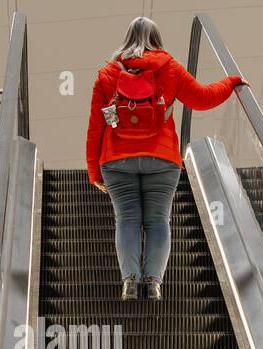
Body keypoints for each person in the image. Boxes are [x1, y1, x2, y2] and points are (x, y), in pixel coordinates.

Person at [86, 17, 244, 300]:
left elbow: (96, 126)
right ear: (157, 39)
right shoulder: (168, 67)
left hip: (117, 159)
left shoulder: (107, 73)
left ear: (126, 38)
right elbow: (203, 98)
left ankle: (130, 282)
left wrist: (92, 170)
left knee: (127, 220)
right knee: (159, 220)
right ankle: (154, 283)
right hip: (162, 158)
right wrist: (231, 81)